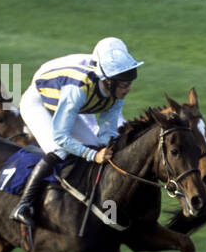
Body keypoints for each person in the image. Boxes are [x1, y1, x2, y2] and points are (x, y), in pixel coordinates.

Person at [10, 37, 142, 226]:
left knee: (97, 145)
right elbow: (61, 138)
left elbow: (107, 130)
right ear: (108, 82)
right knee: (59, 150)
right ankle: (24, 205)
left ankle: (99, 202)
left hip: (64, 104)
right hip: (38, 102)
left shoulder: (116, 90)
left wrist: (106, 147)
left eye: (129, 83)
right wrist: (93, 156)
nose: (128, 89)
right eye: (124, 84)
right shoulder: (79, 89)